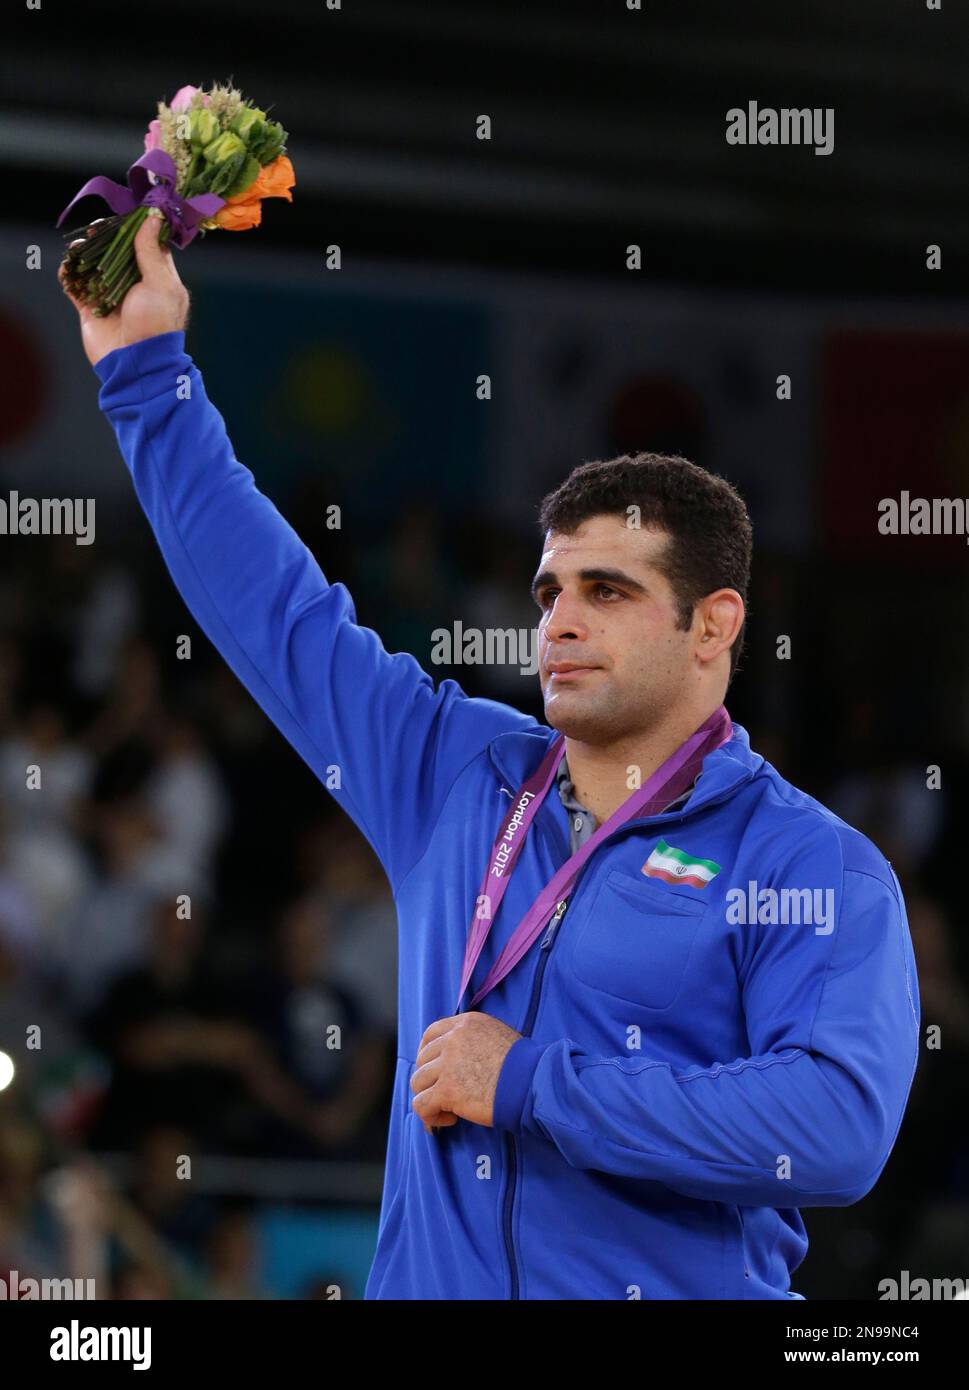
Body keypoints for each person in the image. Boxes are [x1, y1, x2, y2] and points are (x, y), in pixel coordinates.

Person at [59, 213, 920, 1300]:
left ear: (713, 626)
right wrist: (144, 374)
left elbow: (835, 1126)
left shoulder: (805, 865)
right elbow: (276, 611)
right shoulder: (455, 773)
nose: (559, 621)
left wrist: (530, 1085)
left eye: (608, 592)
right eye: (550, 591)